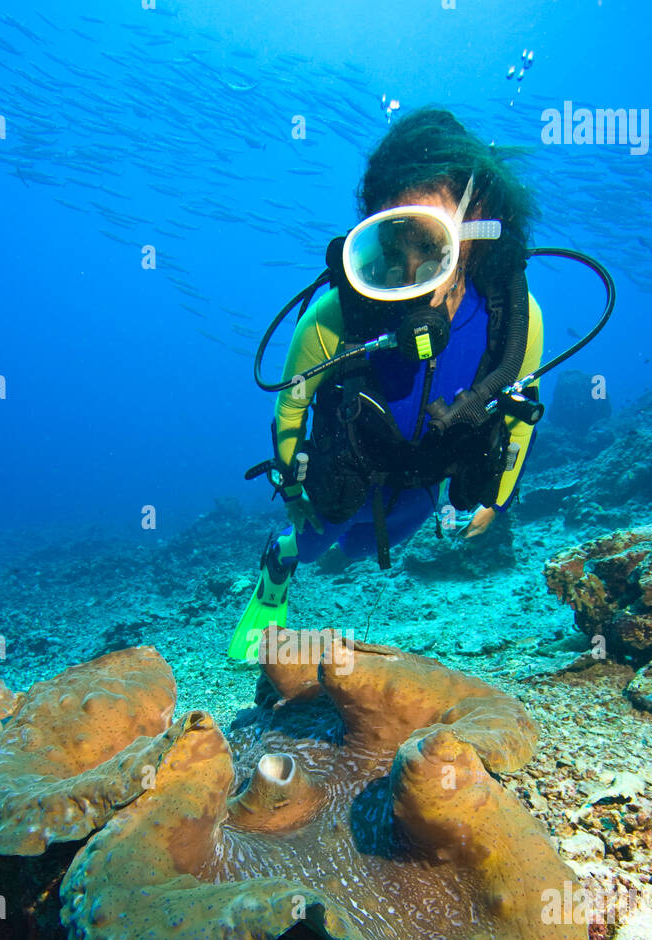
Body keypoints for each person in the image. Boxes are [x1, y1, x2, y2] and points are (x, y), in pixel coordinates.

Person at [228, 107, 544, 663]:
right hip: (350, 461)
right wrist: (295, 487)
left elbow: (520, 409)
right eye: (395, 246)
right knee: (320, 540)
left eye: (431, 242)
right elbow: (292, 402)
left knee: (358, 549)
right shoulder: (333, 316)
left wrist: (496, 495)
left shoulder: (517, 320)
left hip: (426, 472)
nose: (412, 269)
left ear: (481, 222)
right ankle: (277, 564)